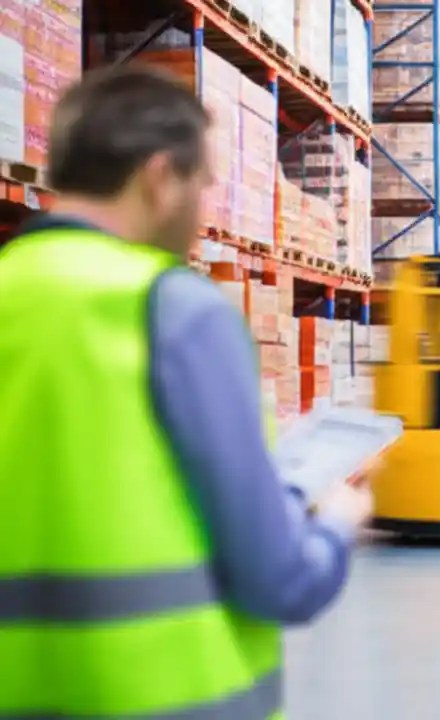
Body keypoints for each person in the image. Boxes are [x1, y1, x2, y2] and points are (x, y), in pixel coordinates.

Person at [0, 65, 371, 717]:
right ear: (159, 177)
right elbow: (279, 580)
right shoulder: (172, 309)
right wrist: (338, 524)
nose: (204, 211)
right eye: (202, 185)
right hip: (166, 695)